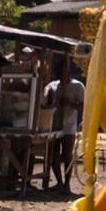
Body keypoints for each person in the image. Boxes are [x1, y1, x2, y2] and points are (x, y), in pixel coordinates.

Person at [41, 57, 82, 195]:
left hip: (69, 126)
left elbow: (82, 106)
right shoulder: (53, 86)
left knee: (67, 156)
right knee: (53, 156)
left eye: (62, 71)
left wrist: (70, 103)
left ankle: (67, 184)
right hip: (54, 125)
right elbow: (44, 100)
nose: (60, 74)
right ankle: (59, 182)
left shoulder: (78, 86)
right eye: (58, 71)